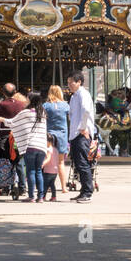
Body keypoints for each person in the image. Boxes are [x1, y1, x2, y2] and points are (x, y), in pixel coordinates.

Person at [4, 90, 51, 202]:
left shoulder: (26, 112)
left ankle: (31, 196)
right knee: (39, 171)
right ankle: (40, 197)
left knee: (31, 171)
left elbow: (13, 122)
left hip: (30, 146)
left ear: (30, 100)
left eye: (28, 98)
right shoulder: (43, 113)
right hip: (41, 146)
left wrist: (2, 120)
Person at [66, 72, 95, 202]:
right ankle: (83, 190)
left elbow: (86, 110)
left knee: (83, 163)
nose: (69, 85)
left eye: (71, 82)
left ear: (79, 82)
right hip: (75, 134)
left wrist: (83, 127)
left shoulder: (83, 94)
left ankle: (87, 192)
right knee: (78, 164)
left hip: (81, 133)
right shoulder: (74, 96)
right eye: (68, 82)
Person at [43, 84, 71, 196]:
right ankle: (64, 187)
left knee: (48, 160)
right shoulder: (65, 105)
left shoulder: (46, 105)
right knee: (60, 162)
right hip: (62, 135)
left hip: (49, 135)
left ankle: (48, 186)